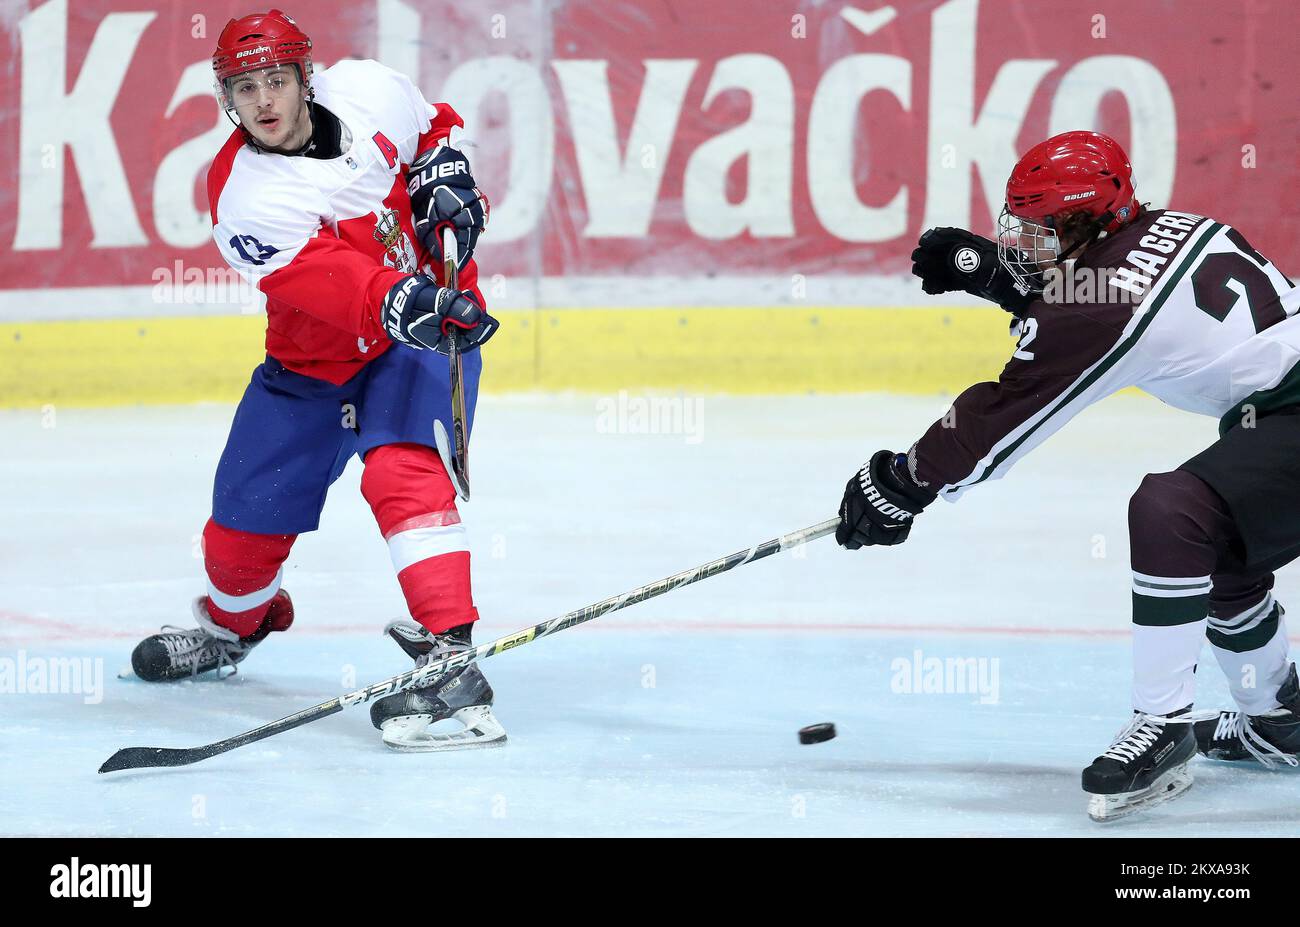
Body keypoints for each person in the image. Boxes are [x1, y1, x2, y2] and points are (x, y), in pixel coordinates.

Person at [835, 130, 1300, 820]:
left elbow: (1002, 418)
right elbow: (1097, 305)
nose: (1023, 244)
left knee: (1171, 511)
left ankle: (1163, 725)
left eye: (1039, 230)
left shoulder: (1101, 301)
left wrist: (902, 483)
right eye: (1018, 228)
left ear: (1087, 220)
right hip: (1283, 413)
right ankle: (1279, 718)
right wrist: (994, 274)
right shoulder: (1169, 225)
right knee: (1219, 544)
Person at [129, 9, 505, 753]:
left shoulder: (367, 90)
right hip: (315, 364)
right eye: (244, 87)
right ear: (226, 98)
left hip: (422, 339)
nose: (263, 100)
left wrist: (443, 171)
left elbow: (433, 128)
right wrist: (403, 297)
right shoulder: (243, 192)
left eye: (276, 80)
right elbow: (327, 282)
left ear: (307, 77)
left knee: (404, 471)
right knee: (241, 527)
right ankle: (234, 627)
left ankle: (452, 652)